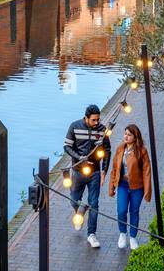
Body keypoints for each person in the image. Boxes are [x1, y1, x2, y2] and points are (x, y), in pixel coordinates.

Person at [64, 103, 112, 249]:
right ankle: (81, 209)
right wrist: (79, 157)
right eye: (94, 120)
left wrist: (104, 170)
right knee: (73, 200)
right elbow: (66, 147)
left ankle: (92, 234)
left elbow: (107, 149)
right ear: (86, 118)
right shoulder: (74, 126)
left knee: (94, 203)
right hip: (78, 172)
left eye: (98, 120)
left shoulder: (102, 130)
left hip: (95, 173)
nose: (96, 123)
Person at [108, 123, 153, 252]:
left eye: (129, 134)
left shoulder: (142, 151)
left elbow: (146, 171)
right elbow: (115, 169)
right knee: (121, 210)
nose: (126, 137)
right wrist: (111, 186)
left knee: (134, 212)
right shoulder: (120, 149)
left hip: (136, 187)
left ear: (135, 137)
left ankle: (133, 237)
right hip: (122, 185)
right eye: (125, 134)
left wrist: (147, 190)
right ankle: (122, 233)